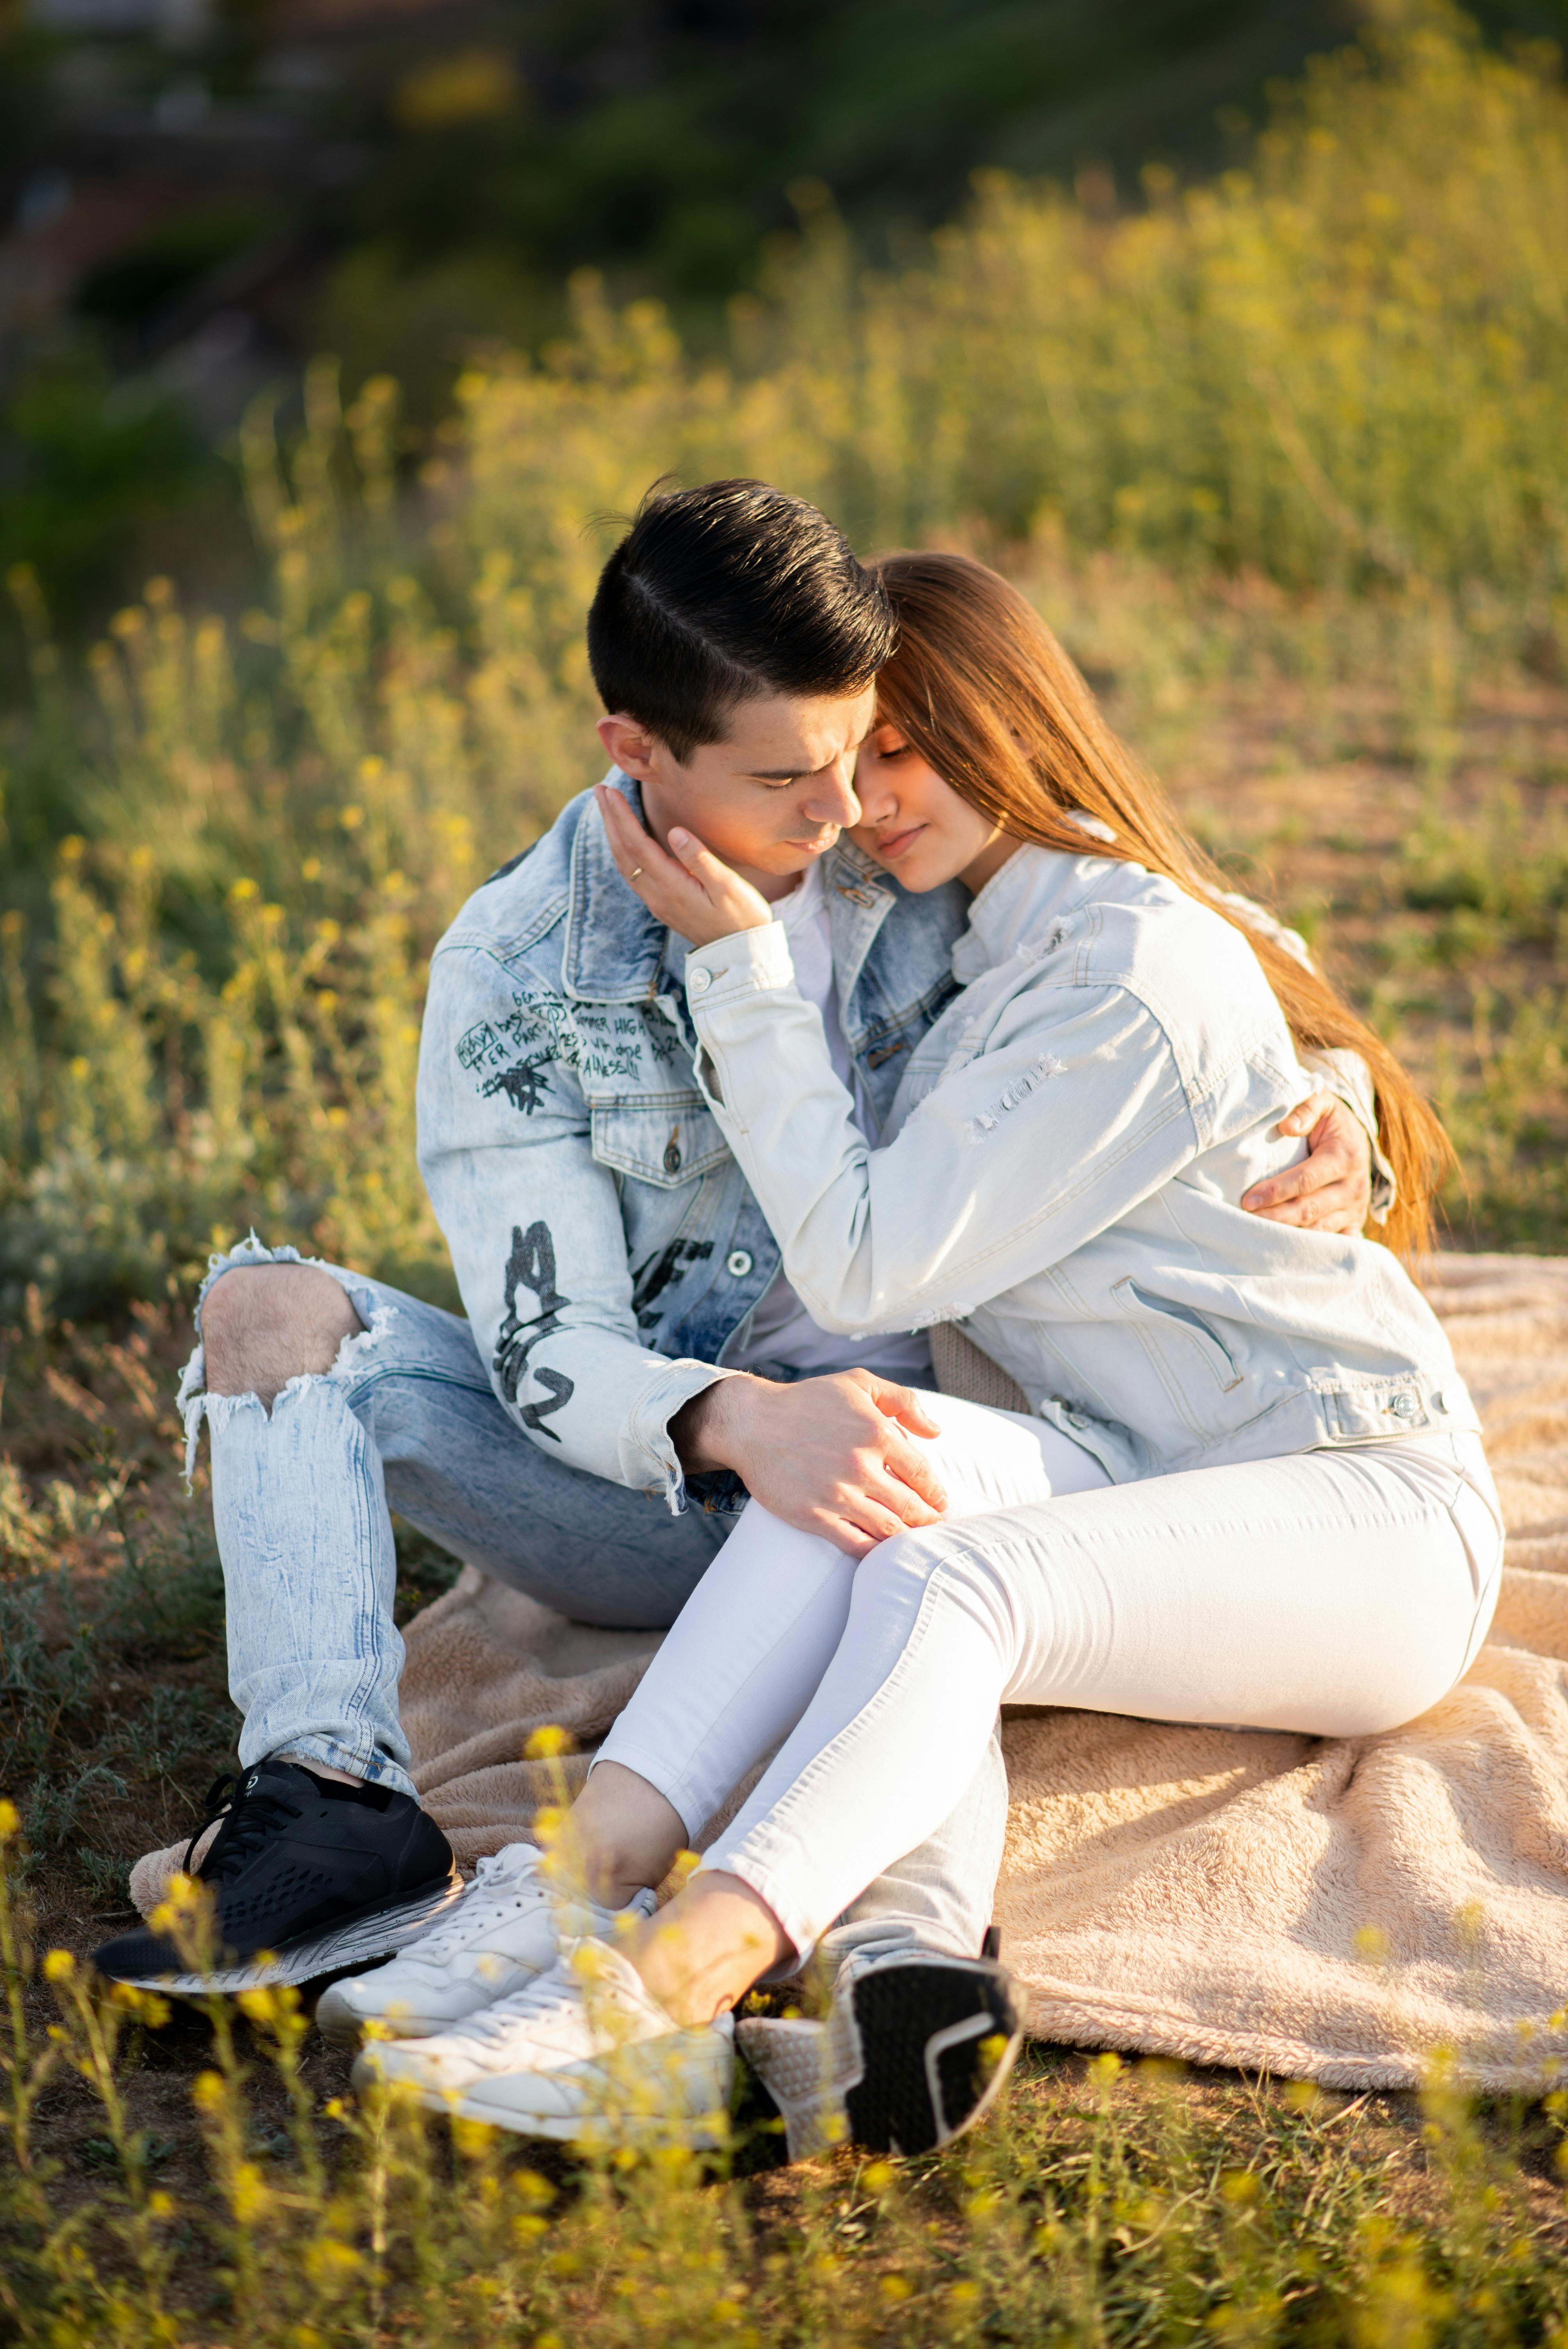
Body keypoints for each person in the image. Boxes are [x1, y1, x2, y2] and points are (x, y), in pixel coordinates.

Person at [92, 486, 1373, 2138]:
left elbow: (1191, 942)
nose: (844, 806)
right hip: (661, 1496)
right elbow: (546, 1352)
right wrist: (732, 1419)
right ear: (636, 749)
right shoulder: (519, 970)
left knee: (903, 1516)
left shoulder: (902, 832)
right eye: (784, 778)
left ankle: (888, 1964)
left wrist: (1329, 1104)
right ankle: (334, 1804)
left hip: (978, 1450)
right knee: (267, 1309)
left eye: (856, 752)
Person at [353, 551, 1502, 2162]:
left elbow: (866, 1257)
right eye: (846, 755)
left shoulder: (1118, 973)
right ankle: (580, 1881)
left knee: (951, 1581)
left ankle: (664, 1994)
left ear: (1007, 728)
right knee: (867, 1452)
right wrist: (1313, 1069)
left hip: (1353, 1504)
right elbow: (1228, 923)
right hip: (1130, 1462)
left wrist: (733, 967)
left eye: (900, 750)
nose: (859, 803)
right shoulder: (981, 930)